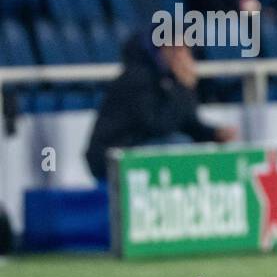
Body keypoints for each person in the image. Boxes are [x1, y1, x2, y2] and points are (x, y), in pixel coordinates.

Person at [85, 30, 236, 182]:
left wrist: (214, 134)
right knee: (178, 144)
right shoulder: (137, 78)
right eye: (177, 50)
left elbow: (187, 123)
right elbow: (158, 126)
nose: (183, 57)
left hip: (137, 149)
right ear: (160, 50)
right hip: (111, 156)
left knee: (191, 146)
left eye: (185, 50)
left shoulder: (168, 80)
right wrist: (183, 89)